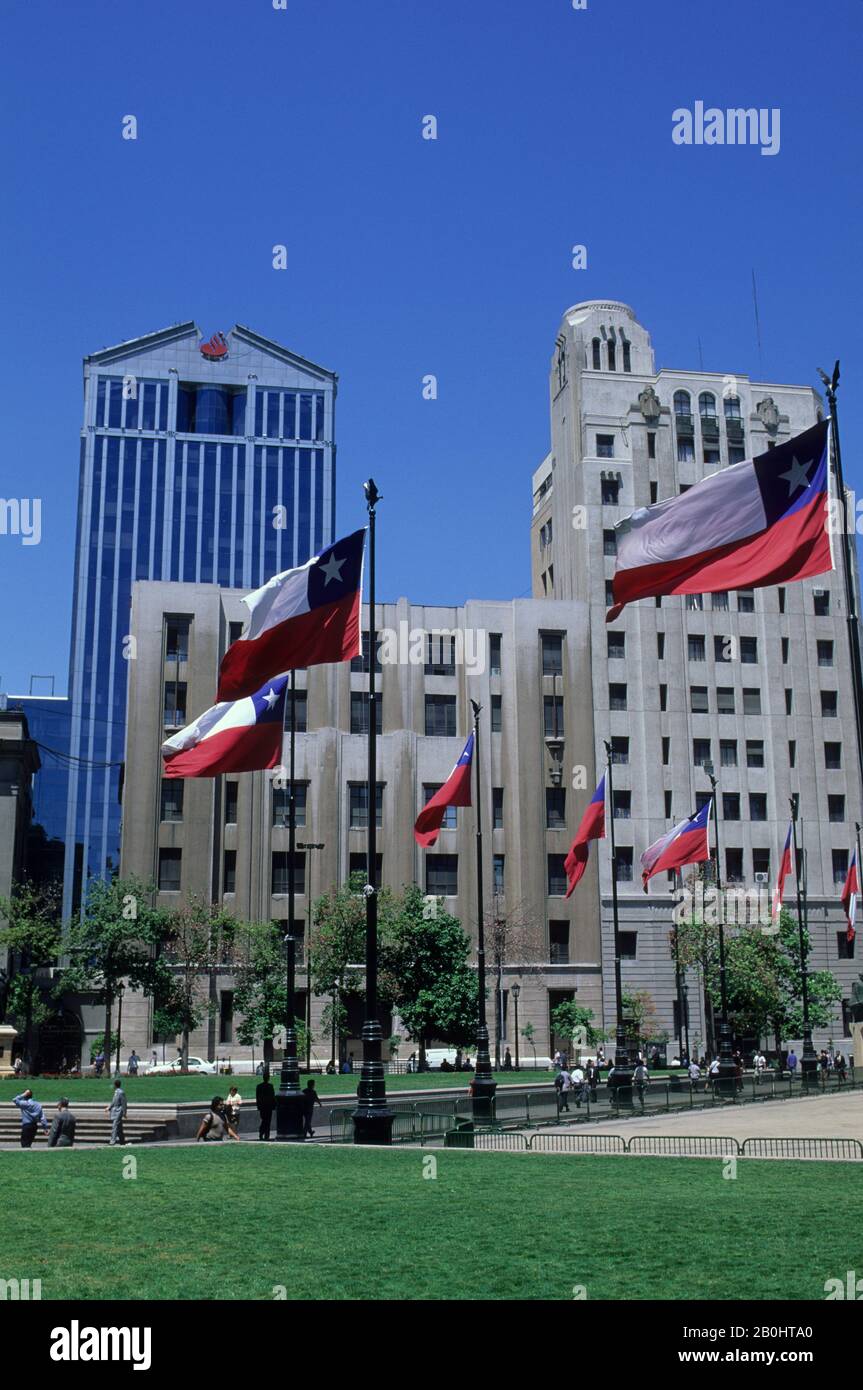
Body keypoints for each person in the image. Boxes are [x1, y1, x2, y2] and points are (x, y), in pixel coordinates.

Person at [255, 1068, 276, 1140]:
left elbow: (257, 1097)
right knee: (267, 1121)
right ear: (268, 1078)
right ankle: (266, 1134)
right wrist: (274, 1106)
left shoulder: (259, 1086)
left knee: (264, 1120)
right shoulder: (270, 1086)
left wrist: (258, 1106)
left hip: (262, 1106)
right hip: (268, 1106)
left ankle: (262, 1132)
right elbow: (273, 1096)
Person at [106, 1078, 128, 1146]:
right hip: (115, 1111)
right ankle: (122, 1141)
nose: (112, 1086)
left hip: (119, 1111)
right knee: (119, 1127)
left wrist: (124, 1113)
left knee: (114, 1126)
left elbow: (124, 1103)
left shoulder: (121, 1092)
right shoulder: (116, 1092)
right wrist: (109, 1108)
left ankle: (112, 1141)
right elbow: (113, 1101)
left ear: (115, 1085)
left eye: (113, 1084)